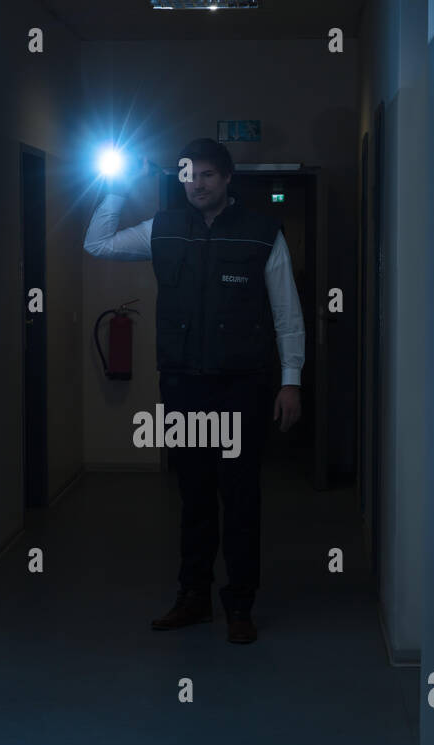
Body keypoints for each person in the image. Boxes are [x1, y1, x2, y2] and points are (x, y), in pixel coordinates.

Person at [83, 138, 305, 644]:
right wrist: (117, 186)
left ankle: (240, 605)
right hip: (184, 383)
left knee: (241, 499)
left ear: (227, 179)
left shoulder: (261, 232)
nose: (195, 184)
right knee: (194, 497)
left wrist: (291, 380)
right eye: (187, 175)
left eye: (206, 175)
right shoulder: (162, 228)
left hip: (243, 386)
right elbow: (97, 243)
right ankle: (193, 598)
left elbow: (287, 314)